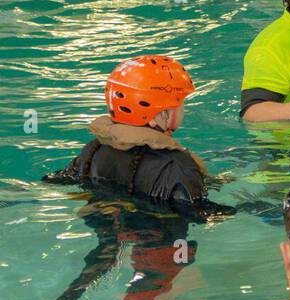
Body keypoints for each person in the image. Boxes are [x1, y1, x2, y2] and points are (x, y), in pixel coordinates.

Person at [44, 54, 221, 215]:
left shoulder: (94, 149)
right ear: (162, 114)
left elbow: (56, 181)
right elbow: (198, 214)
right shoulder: (177, 166)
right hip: (160, 245)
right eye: (180, 103)